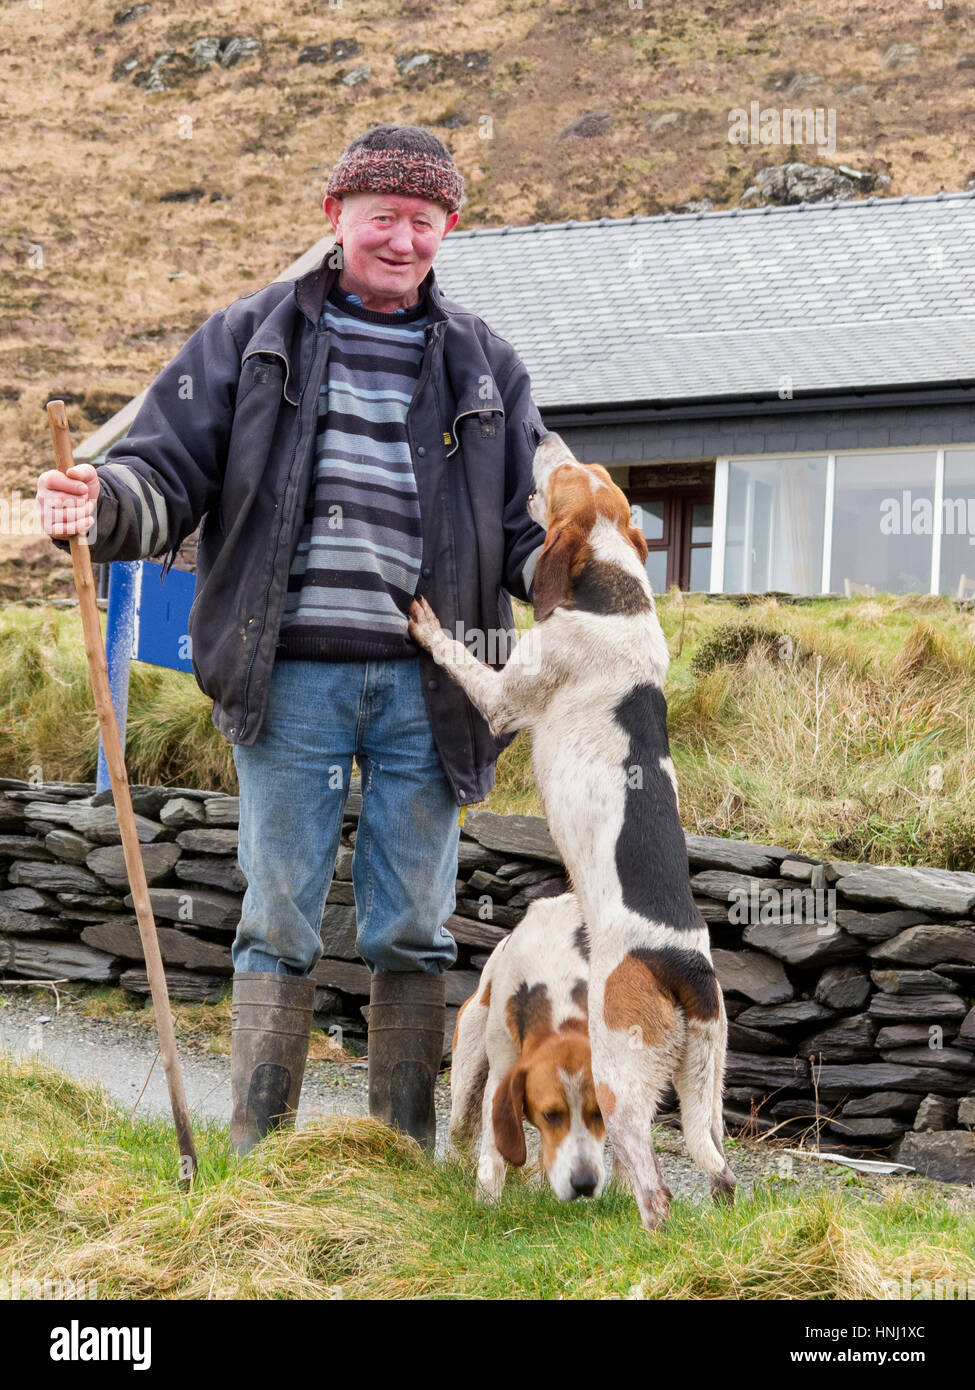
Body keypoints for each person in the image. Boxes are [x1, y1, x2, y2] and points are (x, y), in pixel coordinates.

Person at [36, 123, 547, 1155]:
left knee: (413, 927)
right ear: (336, 218)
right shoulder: (249, 336)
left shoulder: (488, 364)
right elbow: (163, 477)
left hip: (435, 687)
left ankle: (397, 1154)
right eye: (382, 218)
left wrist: (586, 582)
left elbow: (534, 523)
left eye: (424, 221)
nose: (402, 240)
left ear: (449, 228)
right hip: (289, 683)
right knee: (278, 921)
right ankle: (256, 1156)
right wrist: (99, 504)